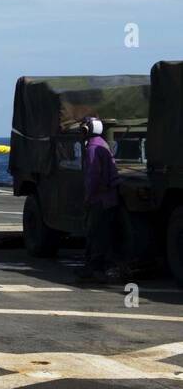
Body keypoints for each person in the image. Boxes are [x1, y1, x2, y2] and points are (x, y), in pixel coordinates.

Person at [75, 116, 122, 282]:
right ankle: (99, 267)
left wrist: (88, 197)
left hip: (99, 199)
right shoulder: (102, 144)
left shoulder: (93, 148)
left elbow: (92, 176)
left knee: (95, 234)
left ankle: (93, 269)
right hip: (109, 198)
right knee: (103, 234)